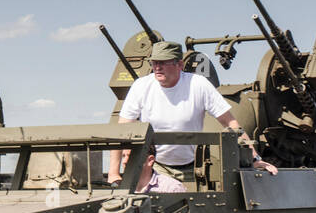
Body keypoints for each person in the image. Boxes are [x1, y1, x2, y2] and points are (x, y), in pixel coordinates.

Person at [107, 40, 278, 187]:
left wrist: (255, 158)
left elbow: (231, 124)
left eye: (164, 62)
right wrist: (114, 173)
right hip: (155, 166)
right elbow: (122, 130)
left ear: (179, 65)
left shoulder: (198, 84)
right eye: (154, 63)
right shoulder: (141, 86)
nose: (157, 67)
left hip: (192, 167)